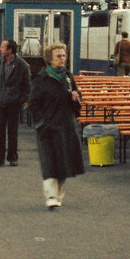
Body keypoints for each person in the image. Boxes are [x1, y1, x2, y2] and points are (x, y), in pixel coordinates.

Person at [28, 43, 83, 209]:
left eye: (64, 55)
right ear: (49, 59)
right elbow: (33, 103)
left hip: (66, 125)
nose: (62, 59)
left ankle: (59, 195)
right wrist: (40, 123)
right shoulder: (41, 78)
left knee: (64, 163)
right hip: (48, 126)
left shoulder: (67, 76)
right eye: (58, 56)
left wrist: (76, 98)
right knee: (50, 162)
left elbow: (77, 101)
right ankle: (51, 196)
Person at [0, 39, 30, 168]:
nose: (0, 49)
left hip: (14, 103)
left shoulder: (22, 65)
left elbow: (27, 86)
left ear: (10, 50)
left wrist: (23, 100)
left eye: (2, 47)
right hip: (0, 102)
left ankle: (13, 157)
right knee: (0, 131)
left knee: (13, 131)